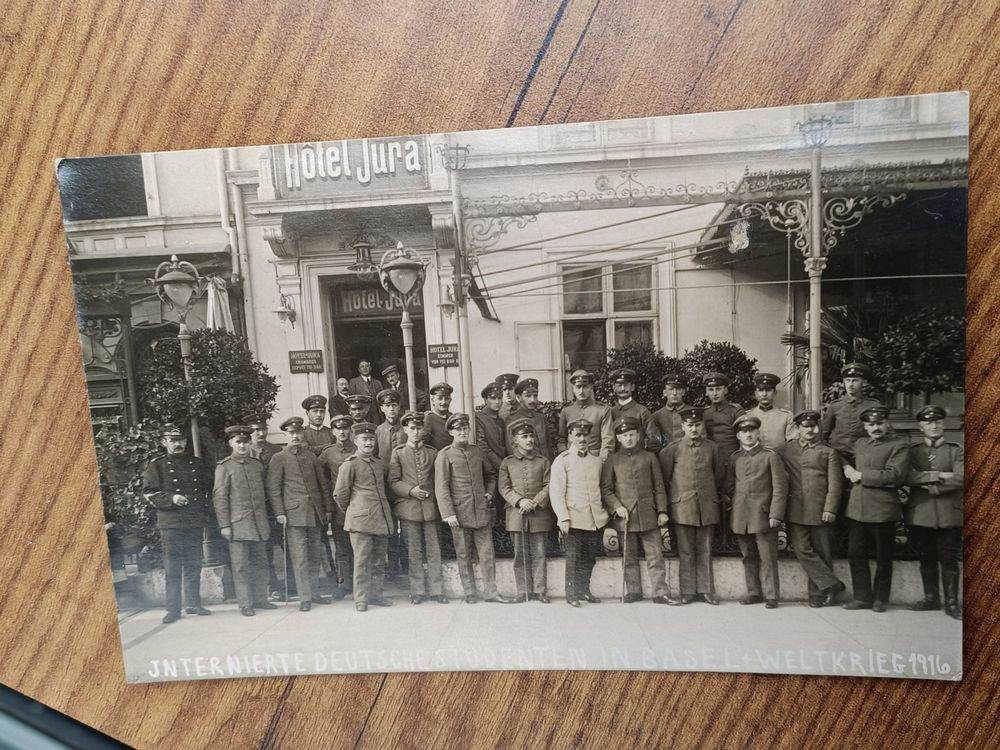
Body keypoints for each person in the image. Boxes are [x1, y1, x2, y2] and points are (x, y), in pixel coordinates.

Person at [435, 413, 517, 604]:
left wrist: (489, 494)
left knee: (487, 554)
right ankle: (469, 592)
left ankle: (491, 592)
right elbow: (441, 487)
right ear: (451, 432)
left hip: (480, 511)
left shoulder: (477, 451)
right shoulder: (444, 455)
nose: (463, 432)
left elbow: (490, 475)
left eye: (465, 428)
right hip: (459, 513)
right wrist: (448, 514)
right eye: (458, 429)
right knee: (463, 554)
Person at [141, 424, 215, 624]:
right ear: (164, 442)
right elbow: (149, 494)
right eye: (172, 440)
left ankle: (194, 603)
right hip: (171, 523)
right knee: (172, 567)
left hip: (193, 520)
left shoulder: (197, 464)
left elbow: (209, 488)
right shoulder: (157, 466)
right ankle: (172, 609)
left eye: (181, 440)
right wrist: (172, 498)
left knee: (194, 564)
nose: (177, 444)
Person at [841, 406, 909, 613]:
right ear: (865, 426)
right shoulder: (860, 444)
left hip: (883, 509)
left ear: (887, 423)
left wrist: (861, 475)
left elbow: (894, 476)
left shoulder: (899, 445)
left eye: (880, 423)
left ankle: (880, 599)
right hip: (858, 509)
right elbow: (839, 453)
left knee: (883, 557)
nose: (876, 428)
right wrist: (846, 467)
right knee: (855, 554)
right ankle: (862, 597)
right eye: (871, 424)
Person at [601, 416, 677, 604]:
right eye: (624, 435)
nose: (628, 438)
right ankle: (633, 591)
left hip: (648, 514)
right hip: (624, 516)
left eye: (632, 434)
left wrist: (662, 511)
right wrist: (617, 507)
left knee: (655, 556)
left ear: (638, 435)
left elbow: (659, 486)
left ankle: (661, 592)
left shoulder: (650, 457)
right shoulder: (612, 460)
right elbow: (606, 489)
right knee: (629, 557)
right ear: (618, 438)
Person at [658, 406, 725, 605]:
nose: (694, 429)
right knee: (686, 551)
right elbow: (665, 477)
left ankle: (705, 591)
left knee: (705, 549)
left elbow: (719, 476)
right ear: (683, 426)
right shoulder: (673, 449)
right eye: (690, 425)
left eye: (697, 424)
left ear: (702, 425)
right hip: (683, 507)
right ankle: (687, 591)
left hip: (707, 505)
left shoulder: (712, 448)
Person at [265, 416, 332, 612]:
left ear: (302, 433)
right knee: (300, 557)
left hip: (314, 513)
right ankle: (305, 597)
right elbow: (274, 489)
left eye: (298, 432)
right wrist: (279, 513)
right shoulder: (278, 458)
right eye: (291, 433)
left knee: (314, 555)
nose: (295, 436)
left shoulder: (310, 456)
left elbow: (323, 485)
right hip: (293, 515)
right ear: (285, 435)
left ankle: (314, 593)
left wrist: (327, 508)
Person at [782, 410, 845, 607]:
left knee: (822, 551)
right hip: (795, 509)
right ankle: (832, 583)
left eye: (814, 426)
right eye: (805, 426)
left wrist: (830, 508)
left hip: (820, 509)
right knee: (801, 549)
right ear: (798, 429)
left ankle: (818, 595)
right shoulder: (786, 449)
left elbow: (835, 484)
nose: (810, 430)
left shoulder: (828, 452)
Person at [905, 405, 963, 620]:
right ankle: (931, 598)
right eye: (929, 423)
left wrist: (932, 484)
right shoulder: (913, 451)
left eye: (937, 422)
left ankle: (951, 603)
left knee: (949, 559)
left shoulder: (956, 449)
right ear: (921, 426)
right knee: (926, 558)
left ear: (943, 424)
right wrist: (939, 475)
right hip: (921, 513)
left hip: (949, 513)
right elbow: (907, 476)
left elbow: (962, 477)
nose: (933, 426)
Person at [212, 425, 276, 617]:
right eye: (238, 442)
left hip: (258, 523)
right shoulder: (224, 467)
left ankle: (260, 598)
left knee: (261, 562)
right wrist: (224, 525)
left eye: (245, 442)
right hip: (238, 524)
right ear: (231, 443)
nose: (242, 445)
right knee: (240, 566)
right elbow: (220, 497)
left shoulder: (256, 465)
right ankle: (245, 603)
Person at [727, 415, 788, 609]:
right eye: (744, 431)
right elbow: (729, 485)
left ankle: (771, 595)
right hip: (741, 515)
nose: (748, 434)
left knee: (768, 557)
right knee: (748, 556)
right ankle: (754, 592)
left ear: (757, 433)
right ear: (738, 435)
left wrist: (775, 514)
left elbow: (780, 488)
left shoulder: (770, 456)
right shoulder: (734, 458)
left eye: (751, 431)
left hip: (763, 514)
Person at [333, 421, 395, 612]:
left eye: (371, 439)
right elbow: (340, 494)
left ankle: (376, 595)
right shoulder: (350, 465)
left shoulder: (379, 464)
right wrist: (354, 511)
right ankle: (361, 599)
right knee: (362, 560)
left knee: (378, 560)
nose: (368, 443)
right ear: (356, 440)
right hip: (360, 522)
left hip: (380, 518)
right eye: (364, 439)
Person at [549, 419, 609, 607]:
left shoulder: (597, 461)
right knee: (573, 558)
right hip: (573, 518)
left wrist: (602, 515)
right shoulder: (563, 460)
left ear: (590, 436)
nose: (582, 438)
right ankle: (571, 593)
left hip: (593, 518)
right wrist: (563, 517)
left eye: (585, 435)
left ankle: (584, 590)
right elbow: (556, 491)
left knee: (589, 557)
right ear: (570, 436)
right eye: (578, 435)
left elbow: (601, 488)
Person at [389, 411, 447, 604]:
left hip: (431, 508)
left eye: (419, 428)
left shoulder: (432, 452)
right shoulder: (398, 453)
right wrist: (411, 490)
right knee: (414, 552)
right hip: (409, 509)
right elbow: (394, 482)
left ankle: (437, 590)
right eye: (412, 428)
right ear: (405, 429)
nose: (416, 432)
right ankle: (418, 591)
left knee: (434, 550)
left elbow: (439, 480)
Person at [499, 417, 554, 603]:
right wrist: (520, 501)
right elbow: (504, 488)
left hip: (539, 514)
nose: (529, 440)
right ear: (515, 440)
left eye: (531, 436)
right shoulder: (507, 463)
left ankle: (540, 590)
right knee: (520, 555)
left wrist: (536, 501)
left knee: (539, 553)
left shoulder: (543, 461)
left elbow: (549, 484)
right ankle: (522, 591)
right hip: (516, 514)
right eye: (524, 436)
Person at [244, 412, 286, 599]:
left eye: (263, 429)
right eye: (255, 430)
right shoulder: (245, 452)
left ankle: (291, 585)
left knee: (287, 546)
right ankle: (272, 585)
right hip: (258, 509)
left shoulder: (276, 450)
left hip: (278, 505)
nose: (260, 433)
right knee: (264, 549)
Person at [317, 414, 357, 599]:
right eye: (338, 429)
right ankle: (344, 583)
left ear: (350, 430)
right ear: (333, 431)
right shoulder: (328, 453)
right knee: (341, 548)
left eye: (345, 428)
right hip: (339, 507)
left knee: (360, 546)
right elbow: (320, 477)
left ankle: (360, 582)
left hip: (358, 505)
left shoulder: (359, 449)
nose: (342, 432)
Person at [821, 362, 881, 463]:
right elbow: (823, 435)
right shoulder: (835, 406)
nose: (851, 384)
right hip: (839, 458)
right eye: (848, 380)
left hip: (866, 456)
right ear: (844, 382)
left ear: (863, 382)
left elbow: (884, 432)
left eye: (855, 381)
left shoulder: (873, 405)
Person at [557, 369, 614, 461]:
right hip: (572, 459)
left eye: (585, 387)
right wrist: (565, 458)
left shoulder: (602, 410)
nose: (581, 391)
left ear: (591, 388)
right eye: (578, 387)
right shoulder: (566, 411)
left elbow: (608, 440)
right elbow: (561, 439)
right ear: (573, 389)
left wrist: (602, 462)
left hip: (596, 458)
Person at [609, 368, 661, 451]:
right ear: (614, 388)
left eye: (626, 385)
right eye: (619, 385)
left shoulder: (642, 411)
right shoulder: (610, 412)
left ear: (632, 387)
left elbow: (654, 440)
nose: (623, 389)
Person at [745, 372, 795, 451]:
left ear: (775, 393)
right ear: (756, 393)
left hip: (779, 459)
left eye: (768, 390)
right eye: (761, 390)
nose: (764, 394)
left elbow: (792, 444)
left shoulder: (786, 416)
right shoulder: (748, 416)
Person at [504, 378, 552, 460]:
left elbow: (548, 447)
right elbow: (512, 450)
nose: (532, 400)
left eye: (535, 395)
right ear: (519, 397)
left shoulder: (541, 418)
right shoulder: (512, 420)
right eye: (528, 396)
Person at [702, 372, 745, 461]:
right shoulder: (704, 413)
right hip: (711, 460)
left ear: (725, 390)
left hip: (733, 459)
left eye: (718, 389)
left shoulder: (736, 411)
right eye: (711, 390)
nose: (714, 393)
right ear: (706, 392)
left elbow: (745, 437)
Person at [651, 373, 690, 447]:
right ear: (664, 392)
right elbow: (654, 443)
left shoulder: (692, 412)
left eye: (678, 389)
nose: (674, 393)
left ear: (683, 392)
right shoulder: (656, 416)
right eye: (671, 389)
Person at [374, 389, 406, 460]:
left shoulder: (406, 428)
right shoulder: (378, 431)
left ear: (399, 407)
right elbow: (374, 456)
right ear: (382, 408)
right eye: (387, 406)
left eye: (394, 405)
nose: (391, 409)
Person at [422, 382, 454, 450]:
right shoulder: (429, 419)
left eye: (447, 398)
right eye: (440, 399)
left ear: (450, 400)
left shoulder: (451, 418)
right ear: (433, 400)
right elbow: (423, 445)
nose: (443, 402)